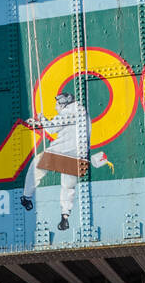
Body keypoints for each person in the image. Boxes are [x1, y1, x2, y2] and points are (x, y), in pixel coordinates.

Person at [20, 90, 114, 230]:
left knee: (36, 166)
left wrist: (41, 118)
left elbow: (52, 129)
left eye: (58, 103)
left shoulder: (69, 111)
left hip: (60, 154)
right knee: (68, 187)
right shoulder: (84, 113)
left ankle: (26, 197)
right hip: (79, 159)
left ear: (64, 103)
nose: (56, 106)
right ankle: (65, 217)